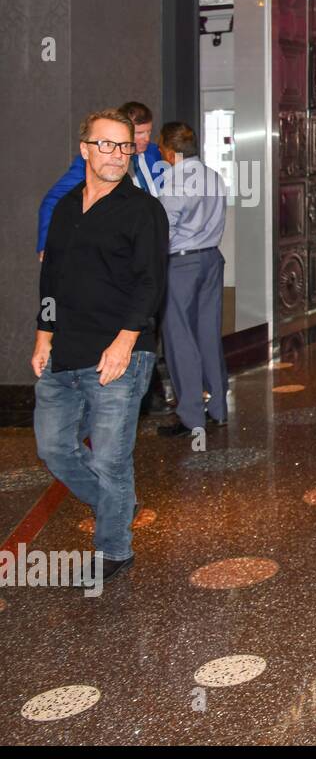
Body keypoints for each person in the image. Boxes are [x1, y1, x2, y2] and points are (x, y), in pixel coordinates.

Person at [32, 109, 169, 583]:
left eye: (125, 146)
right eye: (106, 144)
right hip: (64, 350)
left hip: (119, 354)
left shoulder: (142, 210)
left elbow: (151, 283)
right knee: (53, 448)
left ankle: (114, 547)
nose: (116, 154)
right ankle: (119, 503)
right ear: (86, 149)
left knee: (111, 456)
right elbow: (50, 277)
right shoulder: (67, 207)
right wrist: (43, 335)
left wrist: (125, 342)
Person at [153, 122, 230, 437]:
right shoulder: (213, 176)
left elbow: (164, 229)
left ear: (170, 152)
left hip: (182, 263)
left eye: (160, 150)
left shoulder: (175, 182)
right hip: (212, 257)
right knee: (208, 333)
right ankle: (219, 408)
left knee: (179, 337)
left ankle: (190, 416)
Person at [37, 101, 164, 258]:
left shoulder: (155, 152)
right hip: (116, 241)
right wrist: (45, 245)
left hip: (152, 234)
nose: (146, 138)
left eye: (149, 132)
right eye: (139, 133)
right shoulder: (94, 162)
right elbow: (53, 199)